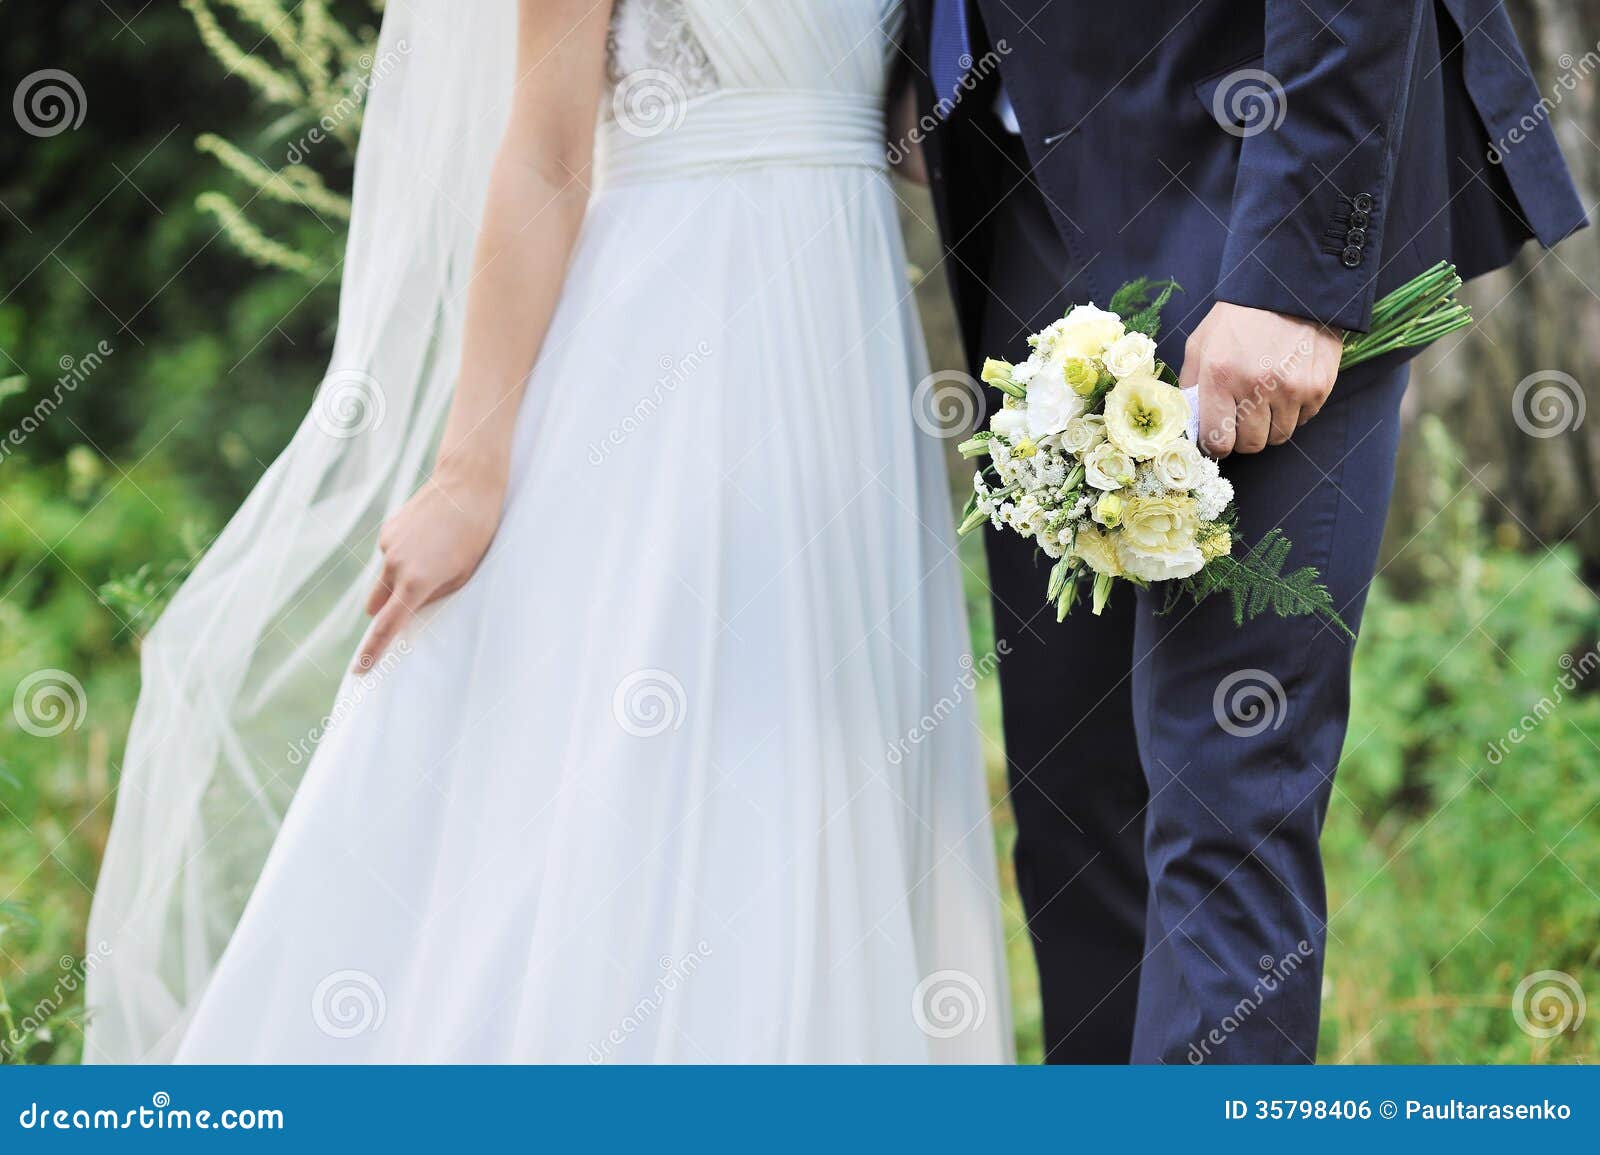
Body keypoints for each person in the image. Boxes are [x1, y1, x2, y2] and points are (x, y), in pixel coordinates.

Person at [85, 0, 1011, 1063]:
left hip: (844, 347)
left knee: (822, 737)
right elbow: (544, 151)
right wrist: (467, 471)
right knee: (649, 727)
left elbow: (912, 114)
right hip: (673, 331)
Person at [908, 0, 1586, 1063]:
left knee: (1225, 802)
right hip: (1023, 161)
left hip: (1257, 170)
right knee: (1073, 794)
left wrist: (1298, 272)